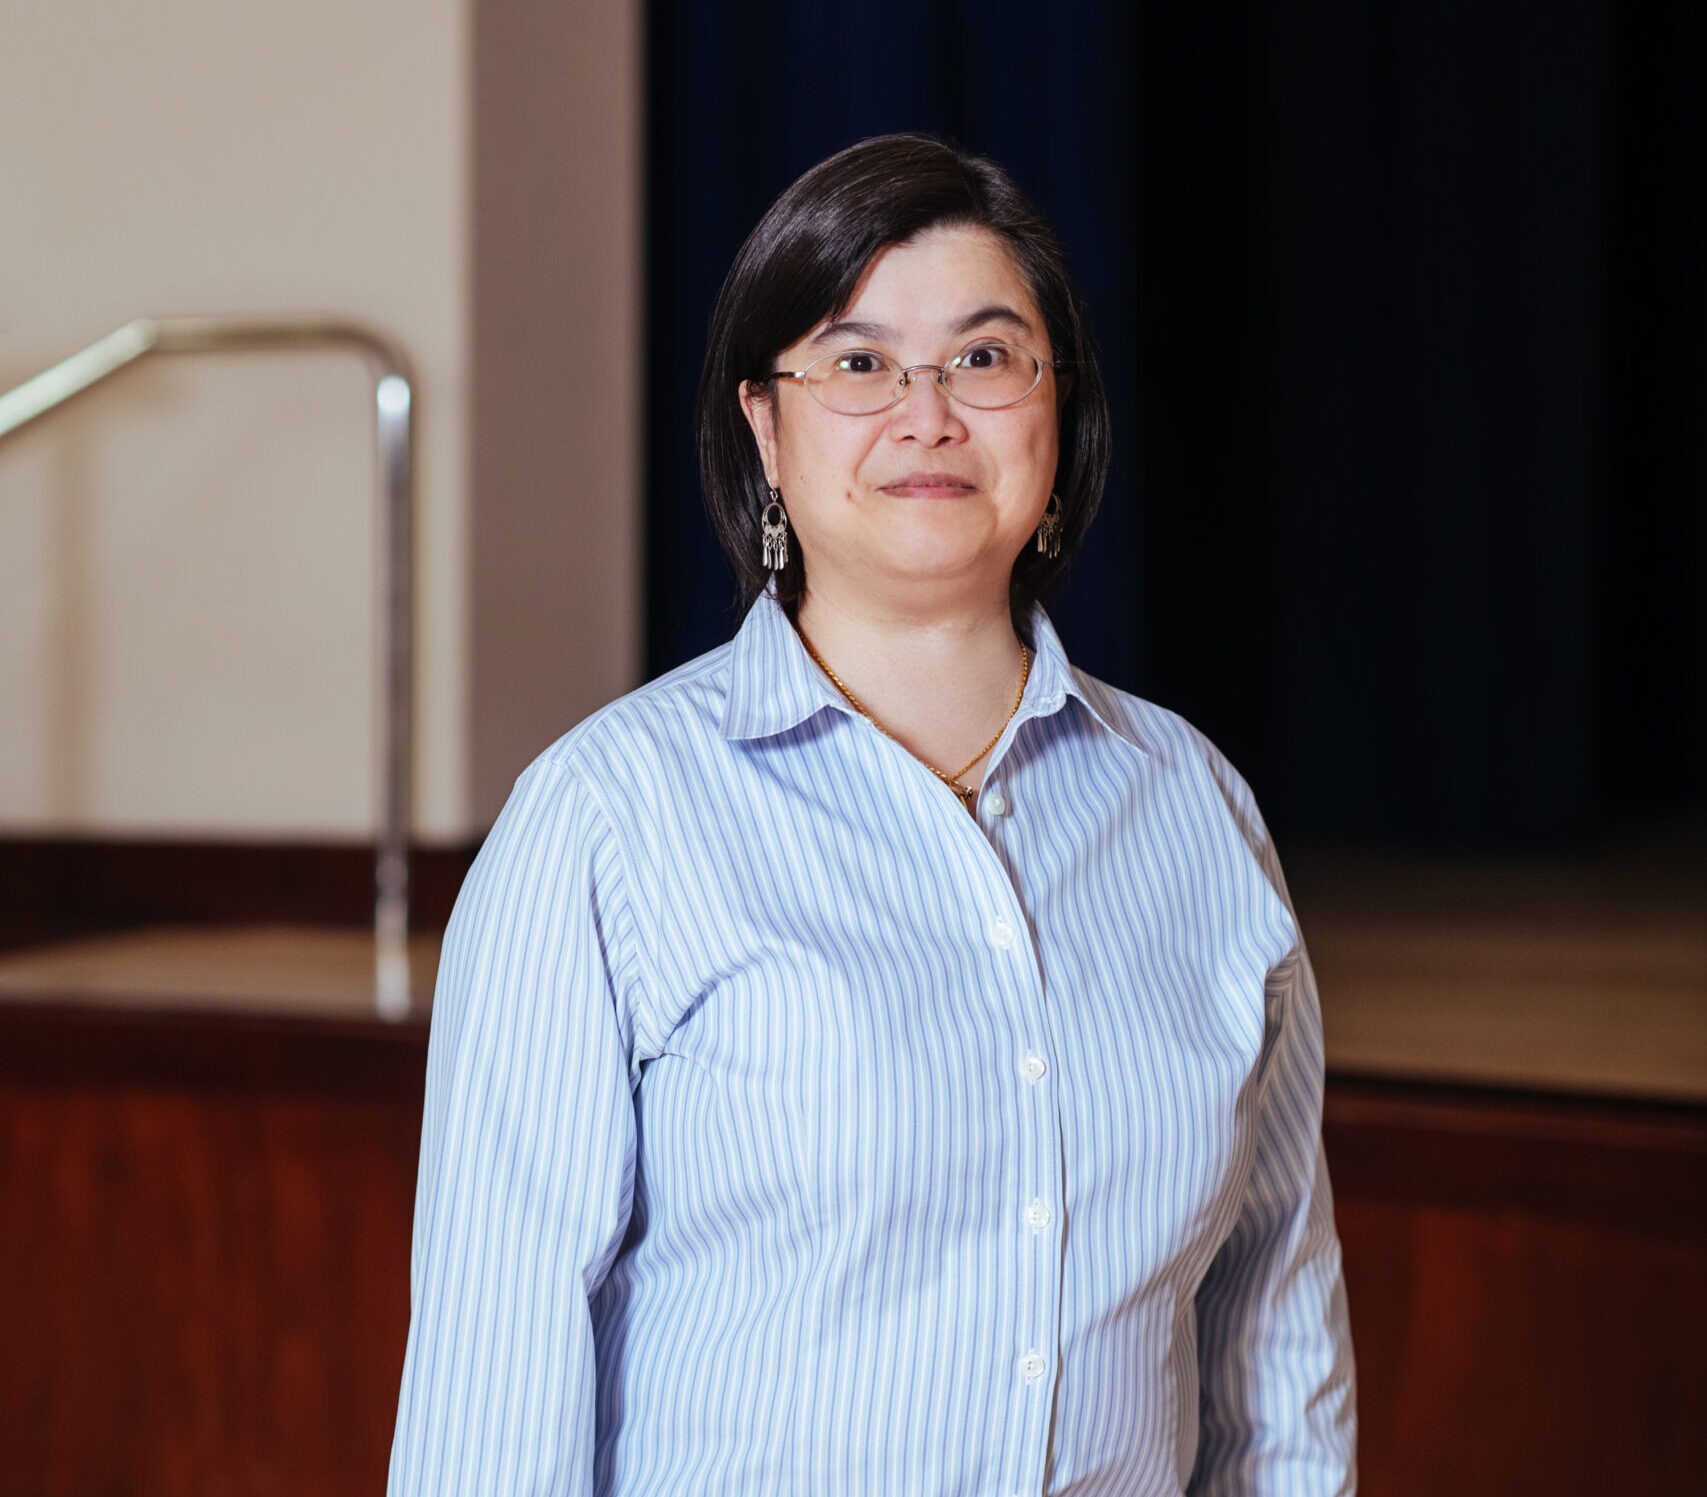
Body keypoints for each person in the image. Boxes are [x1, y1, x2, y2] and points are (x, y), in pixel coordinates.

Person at [389, 132, 1356, 1496]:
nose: (927, 414)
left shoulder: (1196, 808)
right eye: (857, 363)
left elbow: (1276, 1343)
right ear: (765, 429)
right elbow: (493, 1387)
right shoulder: (607, 820)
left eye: (984, 356)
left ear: (1059, 413)